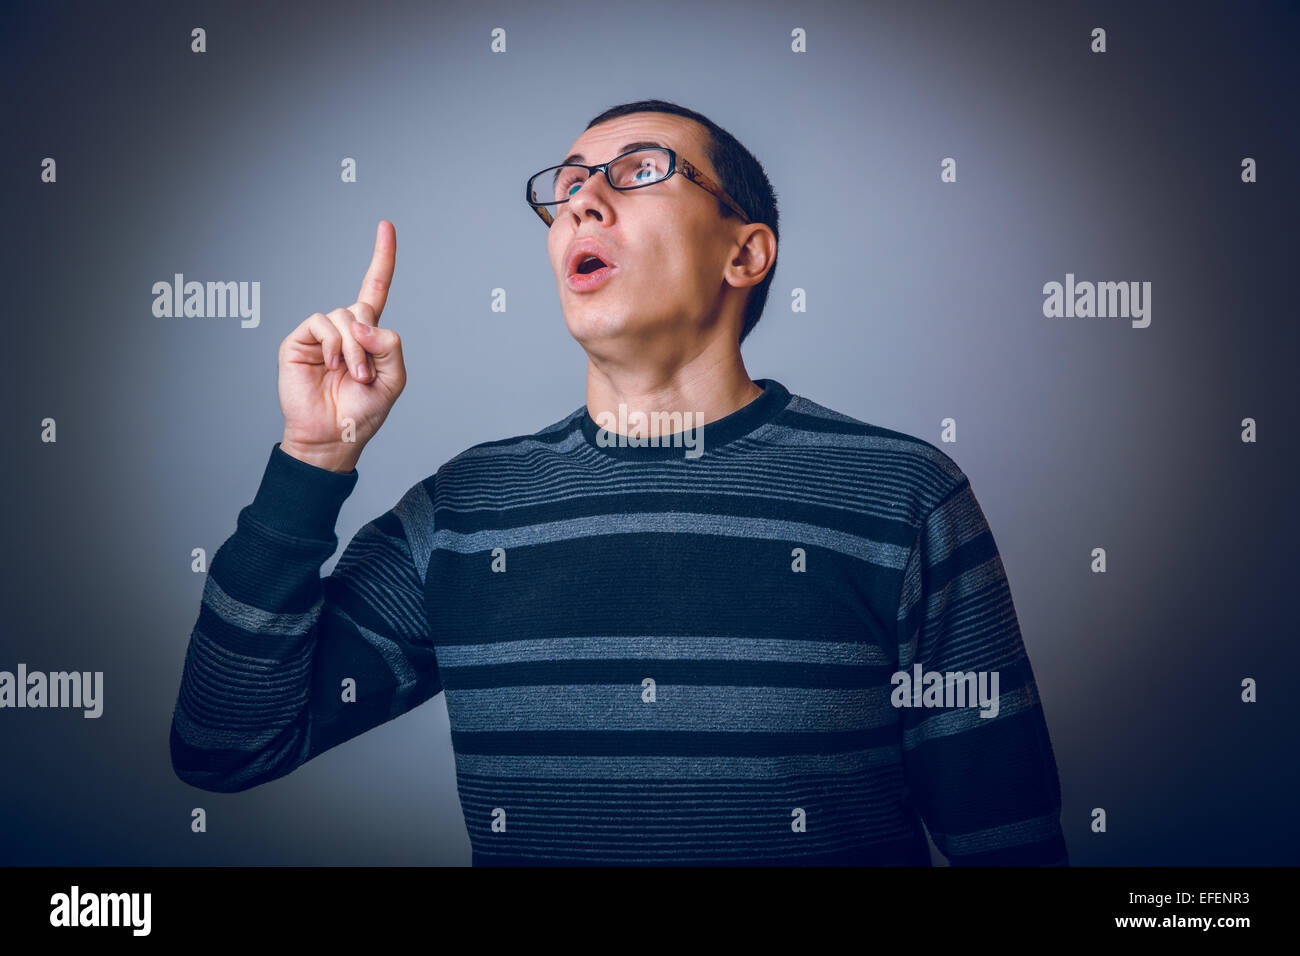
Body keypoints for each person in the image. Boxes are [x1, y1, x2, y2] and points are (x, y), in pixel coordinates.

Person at [170, 98, 1068, 866]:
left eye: (637, 172)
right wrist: (312, 458)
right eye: (565, 187)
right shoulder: (464, 514)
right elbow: (227, 745)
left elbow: (1009, 838)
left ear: (745, 255)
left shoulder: (905, 495)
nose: (582, 202)